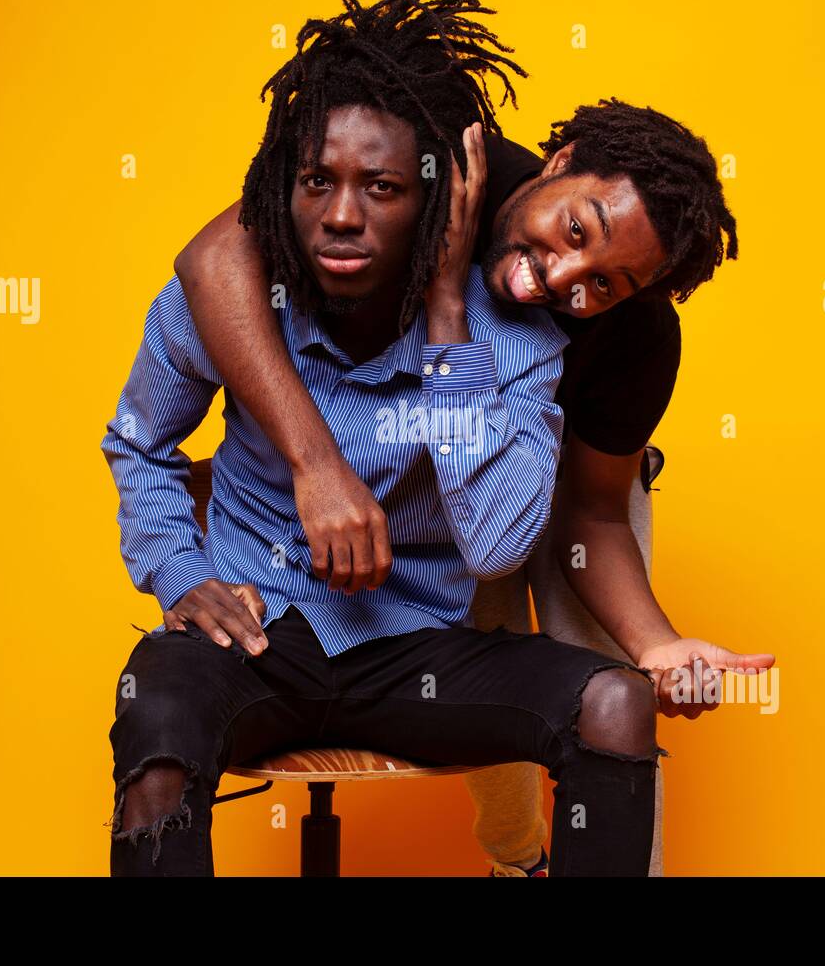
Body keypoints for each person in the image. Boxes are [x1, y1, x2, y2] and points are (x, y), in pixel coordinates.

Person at [100, 0, 669, 877]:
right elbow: (139, 441)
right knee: (157, 699)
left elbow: (499, 545)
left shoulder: (520, 332)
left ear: (438, 201)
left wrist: (448, 322)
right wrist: (182, 571)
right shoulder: (238, 287)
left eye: (383, 189)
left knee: (613, 702)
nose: (340, 214)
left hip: (420, 651)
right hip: (259, 638)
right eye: (319, 182)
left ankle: (520, 859)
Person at [172, 66, 776, 878]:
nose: (564, 279)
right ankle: (520, 860)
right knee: (485, 673)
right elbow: (212, 262)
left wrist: (656, 645)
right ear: (556, 163)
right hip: (447, 461)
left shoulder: (637, 340)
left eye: (607, 283)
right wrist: (313, 466)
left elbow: (592, 515)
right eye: (573, 230)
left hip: (561, 481)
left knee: (612, 699)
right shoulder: (442, 161)